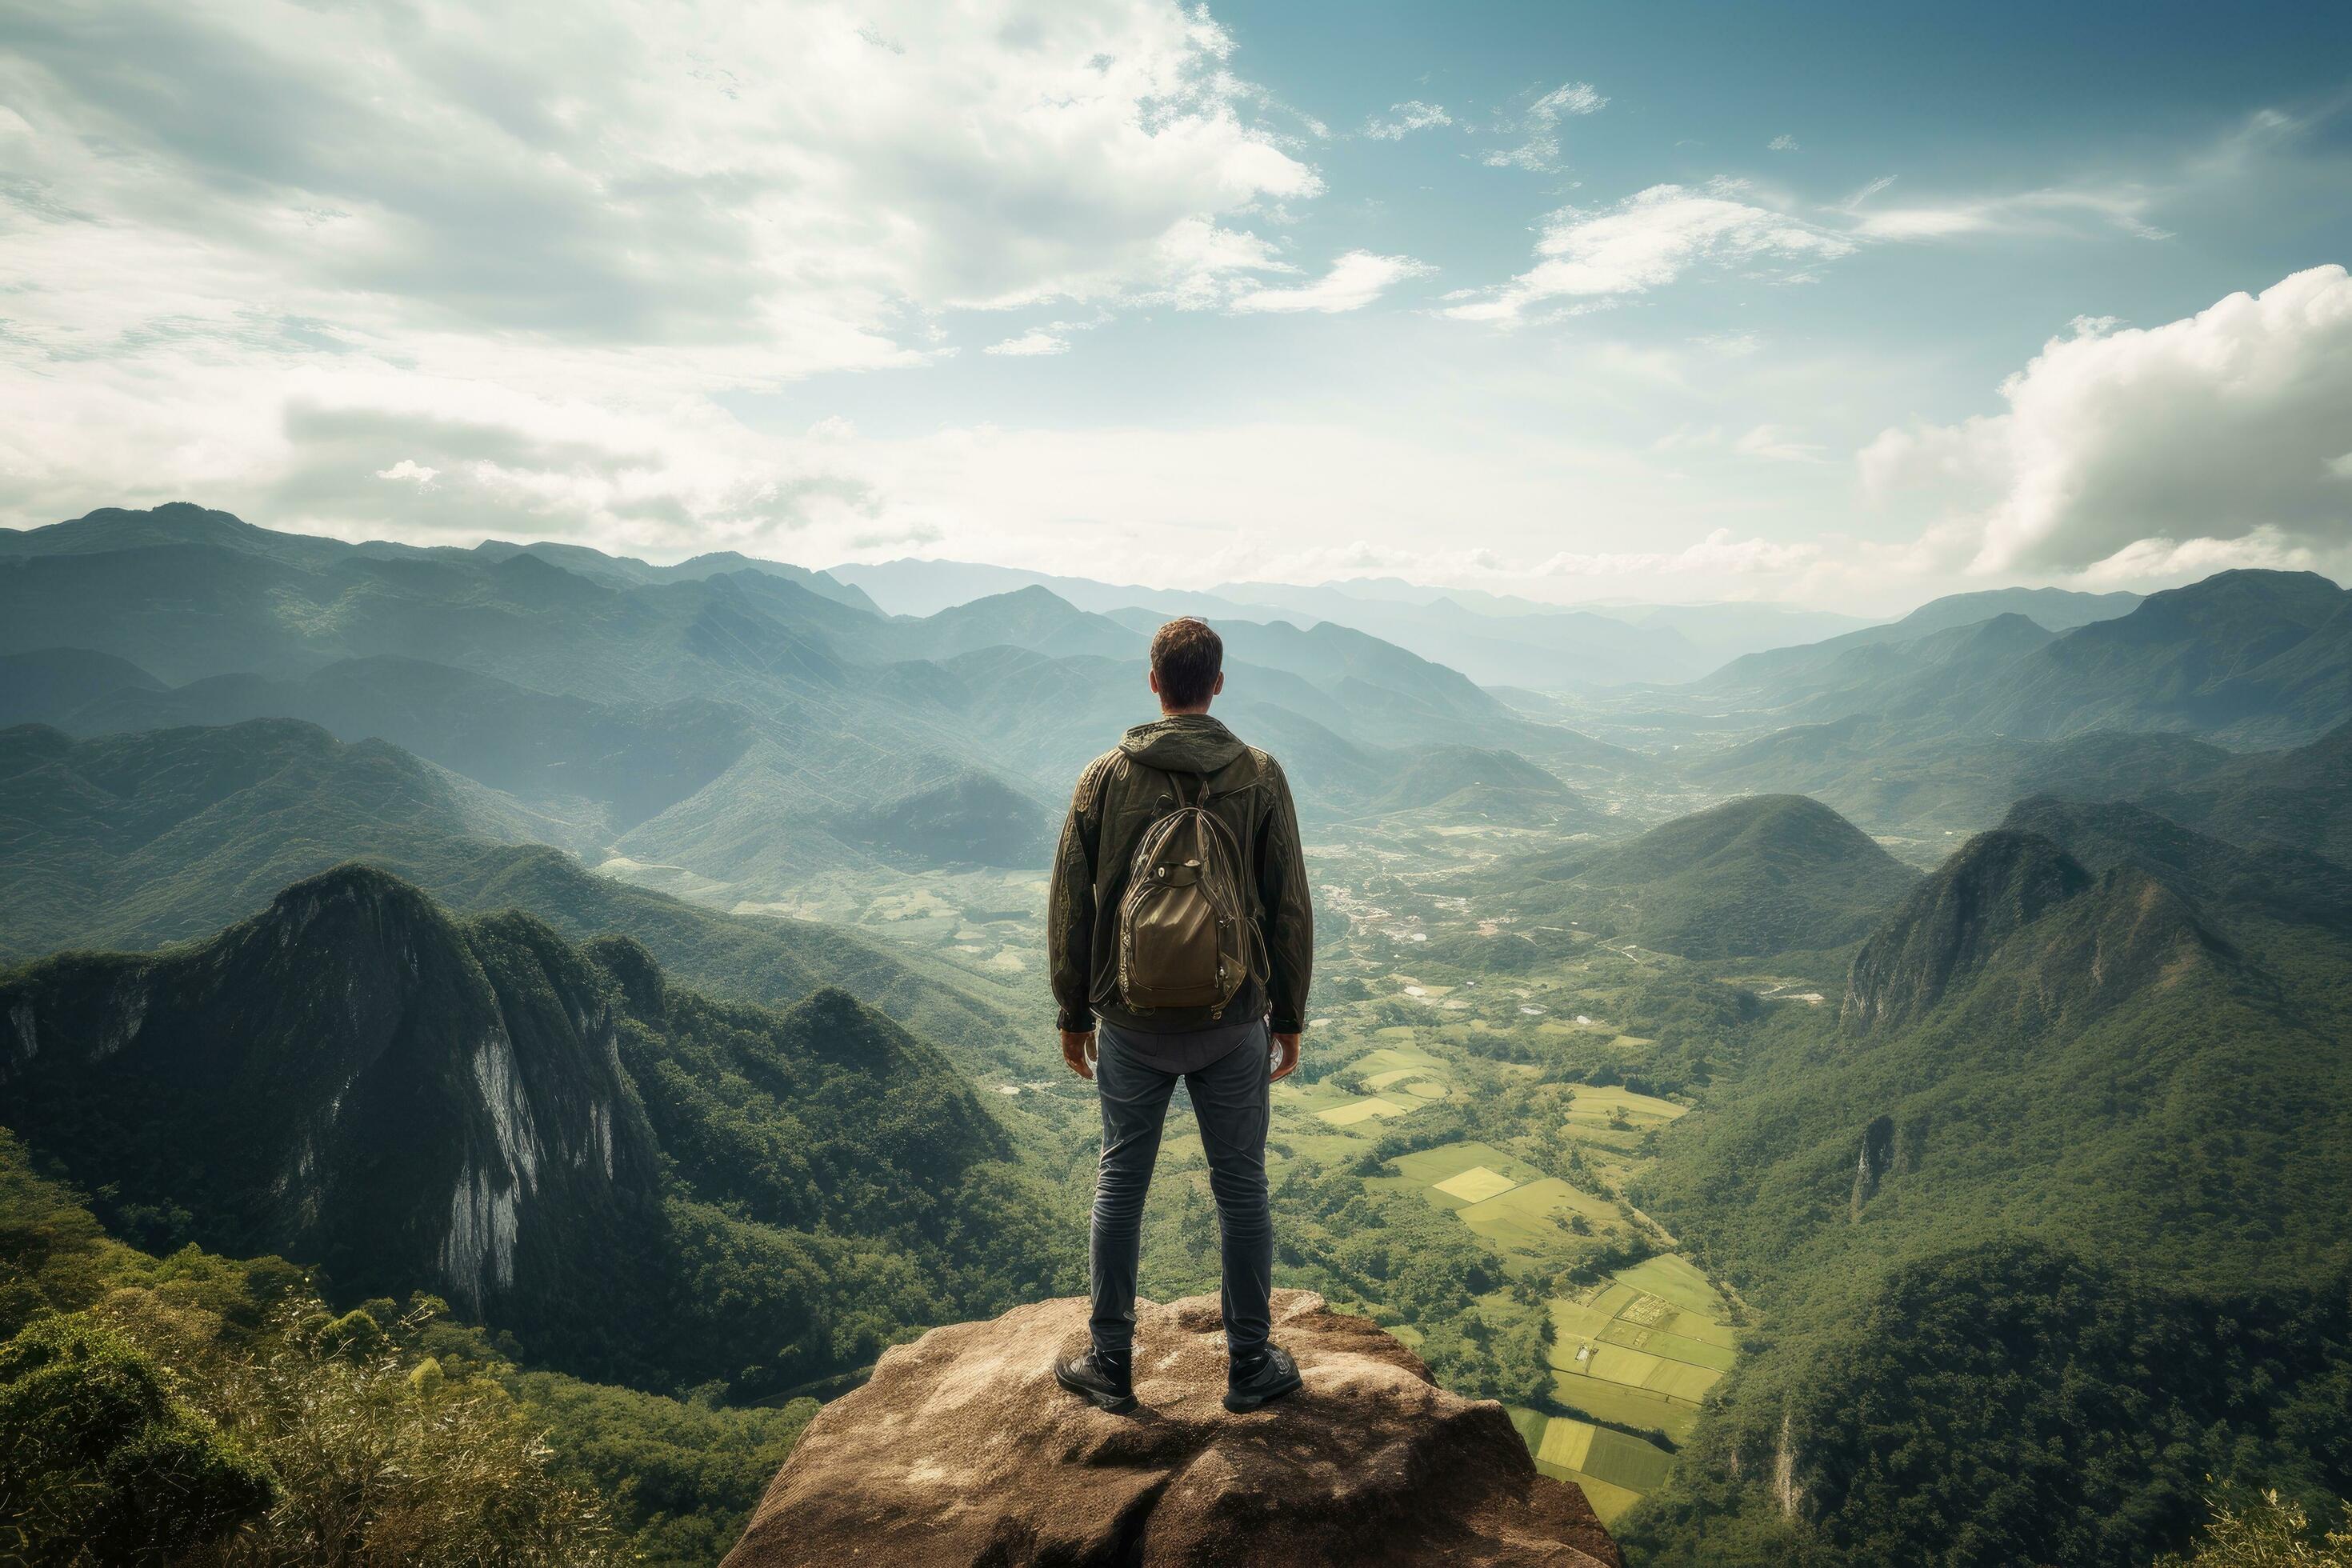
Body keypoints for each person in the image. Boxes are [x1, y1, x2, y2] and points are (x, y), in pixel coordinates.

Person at [1046, 616, 1314, 1415]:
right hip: (1235, 1021)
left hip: (1130, 1022)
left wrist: (1072, 1010)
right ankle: (1251, 1364)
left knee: (1121, 1180)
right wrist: (1289, 1014)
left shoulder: (1105, 777)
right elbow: (1289, 906)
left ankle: (1110, 1360)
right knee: (1242, 1188)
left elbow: (1070, 906)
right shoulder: (1260, 775)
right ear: (1219, 683)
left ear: (1153, 681)